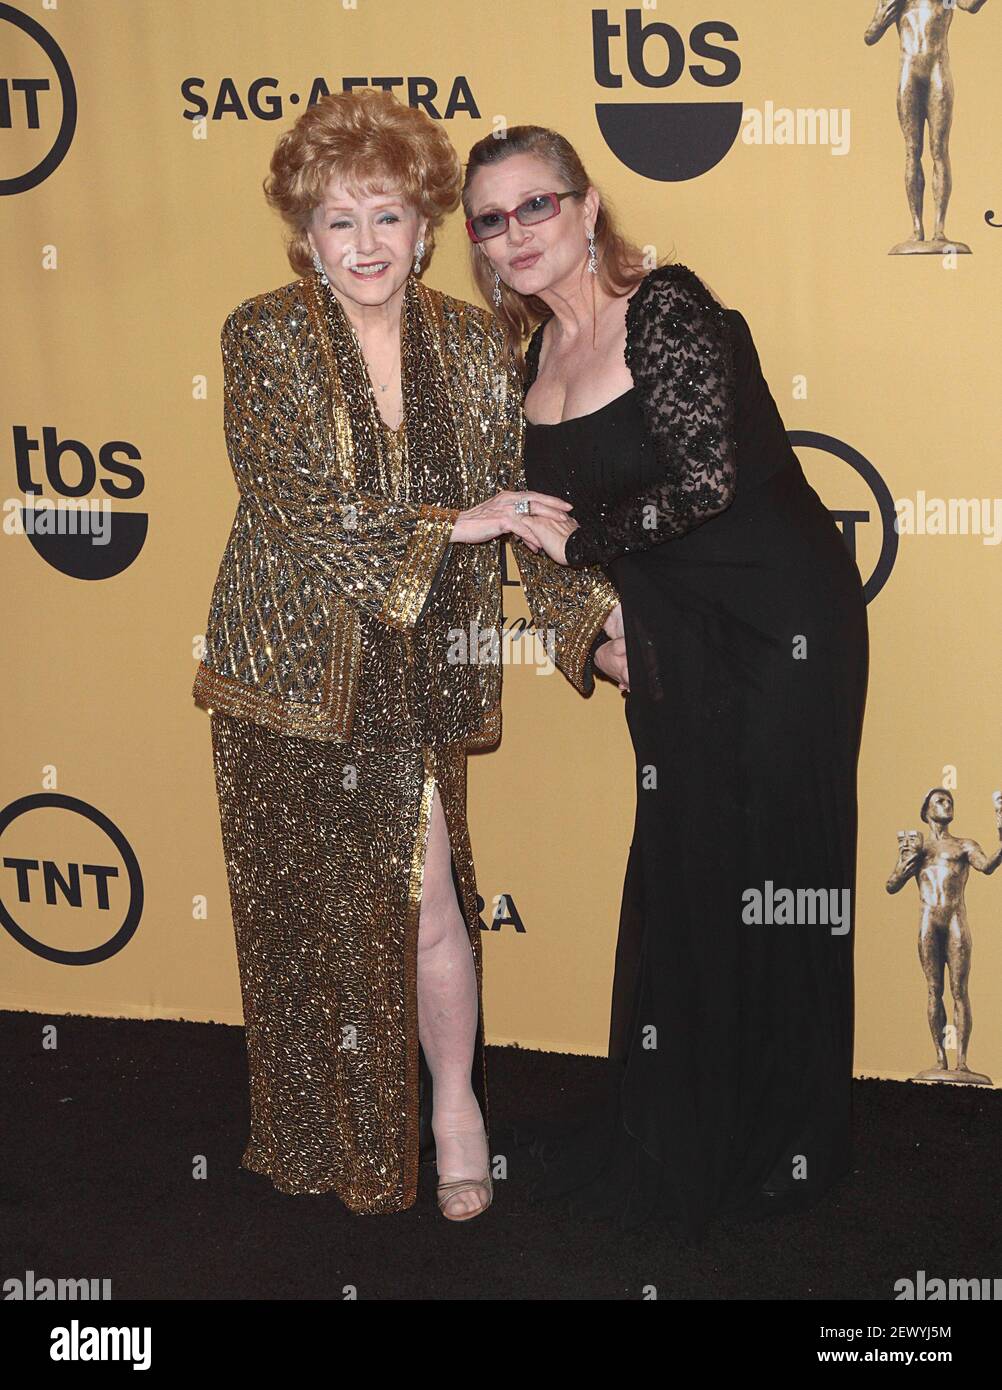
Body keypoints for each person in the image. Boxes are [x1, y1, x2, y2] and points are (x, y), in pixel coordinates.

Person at [191, 92, 620, 1222]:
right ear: (306, 237)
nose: (367, 245)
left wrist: (595, 629)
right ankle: (314, 1133)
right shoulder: (263, 334)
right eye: (341, 223)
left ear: (428, 229)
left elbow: (527, 510)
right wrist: (450, 524)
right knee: (302, 921)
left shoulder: (484, 344)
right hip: (286, 678)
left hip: (413, 676)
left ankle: (451, 1111)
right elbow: (291, 504)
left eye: (387, 217)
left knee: (429, 902)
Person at [462, 125, 870, 1238]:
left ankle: (781, 1147)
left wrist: (590, 555)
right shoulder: (522, 370)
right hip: (661, 638)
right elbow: (539, 548)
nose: (515, 236)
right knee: (688, 872)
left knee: (772, 863)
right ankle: (680, 1126)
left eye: (535, 206)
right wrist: (593, 633)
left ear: (589, 209)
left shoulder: (668, 305)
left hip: (775, 622)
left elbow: (705, 480)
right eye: (490, 221)